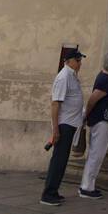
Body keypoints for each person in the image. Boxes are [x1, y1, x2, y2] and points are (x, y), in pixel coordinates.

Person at [41, 47, 86, 205]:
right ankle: (48, 194)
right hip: (64, 125)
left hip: (70, 125)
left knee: (62, 160)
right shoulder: (64, 77)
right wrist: (56, 130)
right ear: (68, 61)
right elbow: (55, 104)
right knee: (58, 161)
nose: (80, 63)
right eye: (77, 60)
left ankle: (54, 191)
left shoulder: (72, 76)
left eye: (80, 60)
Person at [78, 49, 108, 199]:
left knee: (97, 152)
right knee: (97, 153)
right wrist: (86, 114)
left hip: (105, 119)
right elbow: (93, 99)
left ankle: (89, 185)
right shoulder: (105, 79)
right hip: (102, 120)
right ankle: (86, 187)